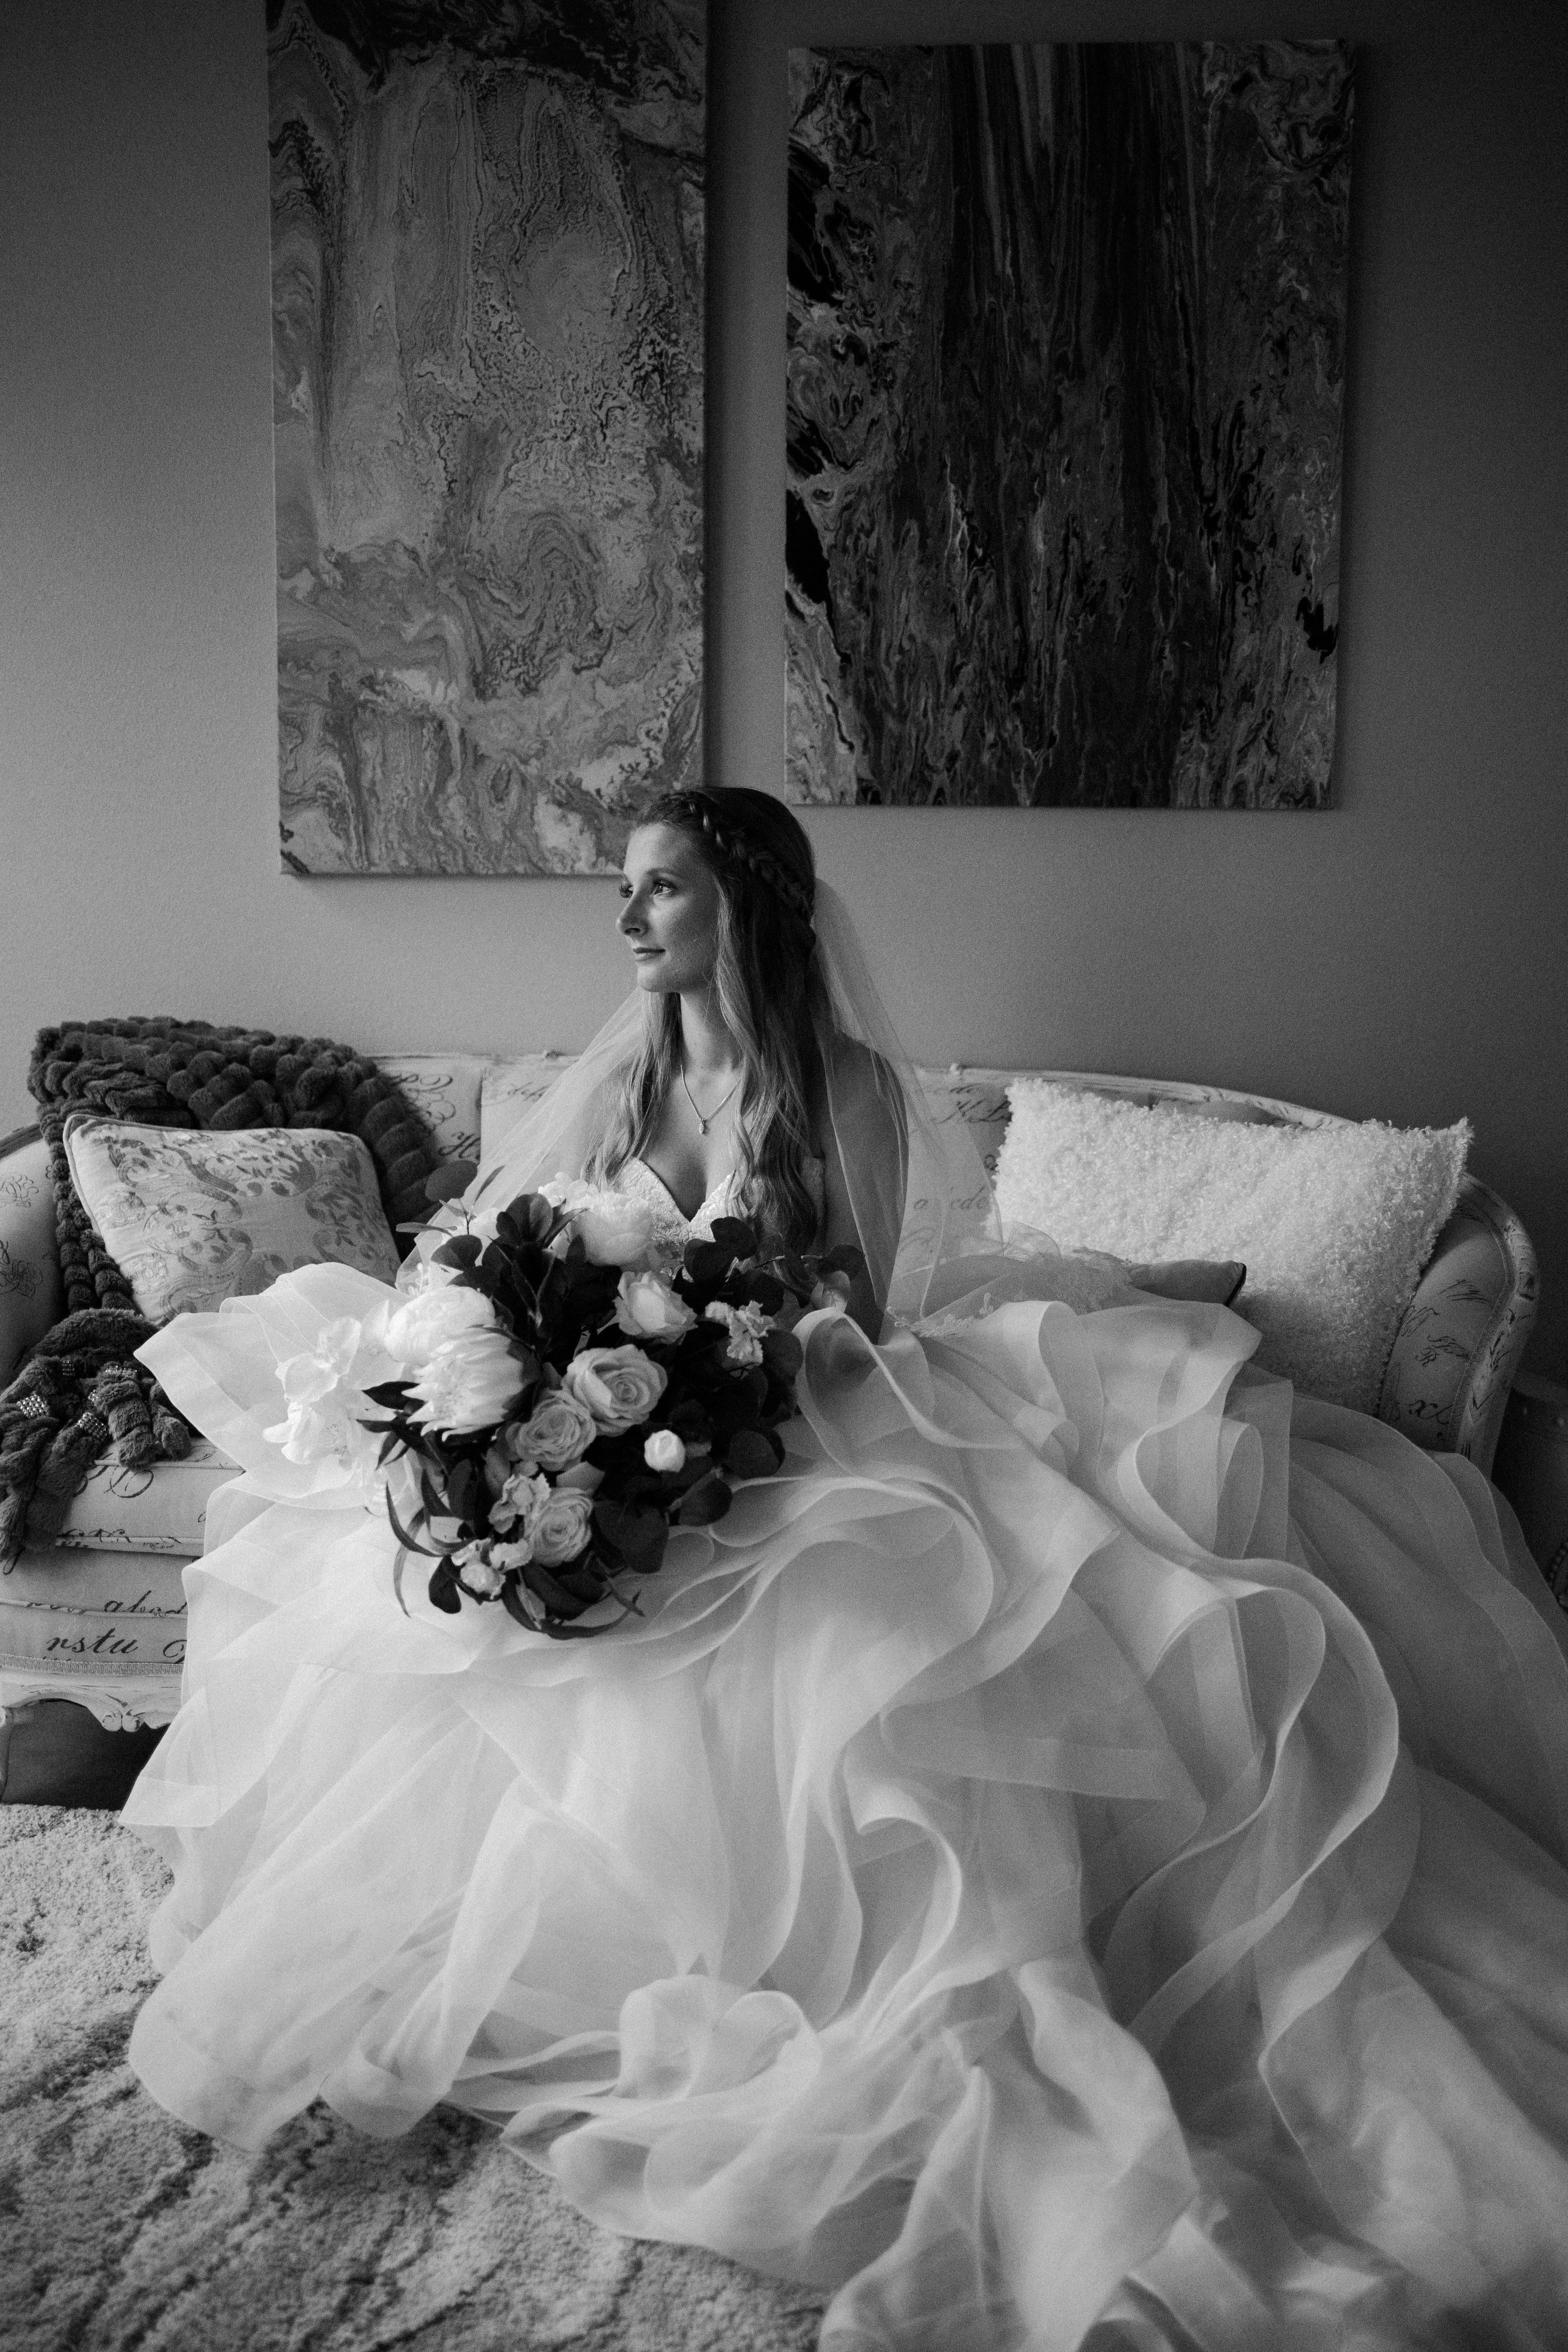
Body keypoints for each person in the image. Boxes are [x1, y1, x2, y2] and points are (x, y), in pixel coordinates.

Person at [124, 787, 1568, 2352]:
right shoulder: (623, 1078)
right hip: (652, 1428)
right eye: (626, 889)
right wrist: (567, 1394)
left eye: (658, 890)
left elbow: (860, 1311)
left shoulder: (846, 1090)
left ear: (739, 904)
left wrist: (694, 1386)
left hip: (810, 1412)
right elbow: (524, 1246)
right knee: (446, 1599)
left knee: (854, 1625)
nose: (626, 922)